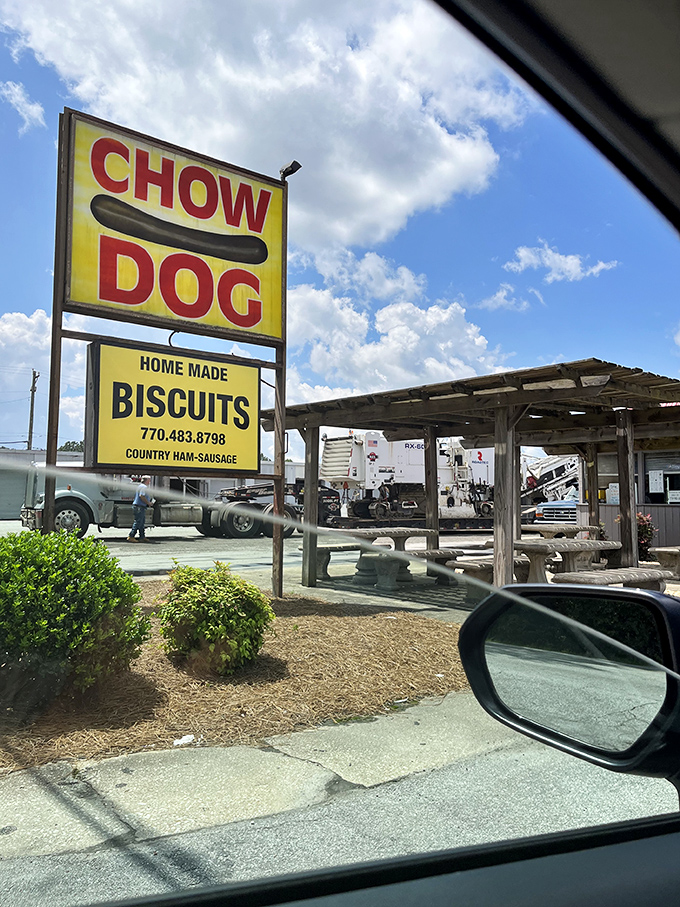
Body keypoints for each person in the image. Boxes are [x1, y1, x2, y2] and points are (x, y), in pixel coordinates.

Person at [128, 475, 153, 542]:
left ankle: (142, 536)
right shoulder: (144, 487)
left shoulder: (140, 486)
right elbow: (142, 496)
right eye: (149, 480)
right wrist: (148, 503)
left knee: (141, 522)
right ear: (146, 480)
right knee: (138, 522)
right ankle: (131, 536)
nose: (150, 481)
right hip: (139, 506)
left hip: (139, 506)